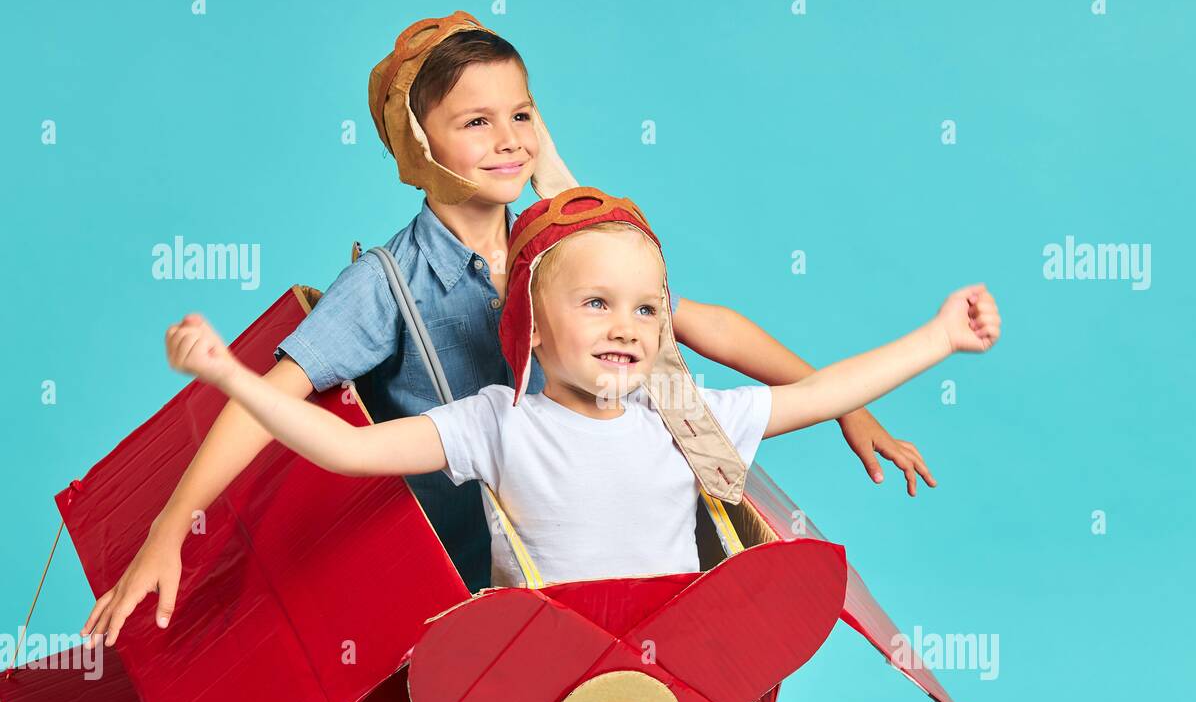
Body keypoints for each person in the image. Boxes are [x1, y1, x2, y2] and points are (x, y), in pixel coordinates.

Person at [83, 12, 933, 645]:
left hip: (627, 535)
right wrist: (171, 527)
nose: (508, 141)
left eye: (522, 115)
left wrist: (841, 403)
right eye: (475, 121)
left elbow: (695, 323)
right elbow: (268, 401)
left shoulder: (565, 245)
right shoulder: (388, 284)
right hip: (480, 578)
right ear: (419, 144)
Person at [160, 188, 1001, 587]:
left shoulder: (679, 416)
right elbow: (341, 448)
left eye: (646, 310)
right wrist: (232, 373)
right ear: (528, 322)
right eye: (596, 305)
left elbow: (821, 394)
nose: (627, 327)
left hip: (663, 668)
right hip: (538, 684)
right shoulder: (496, 422)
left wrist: (937, 337)